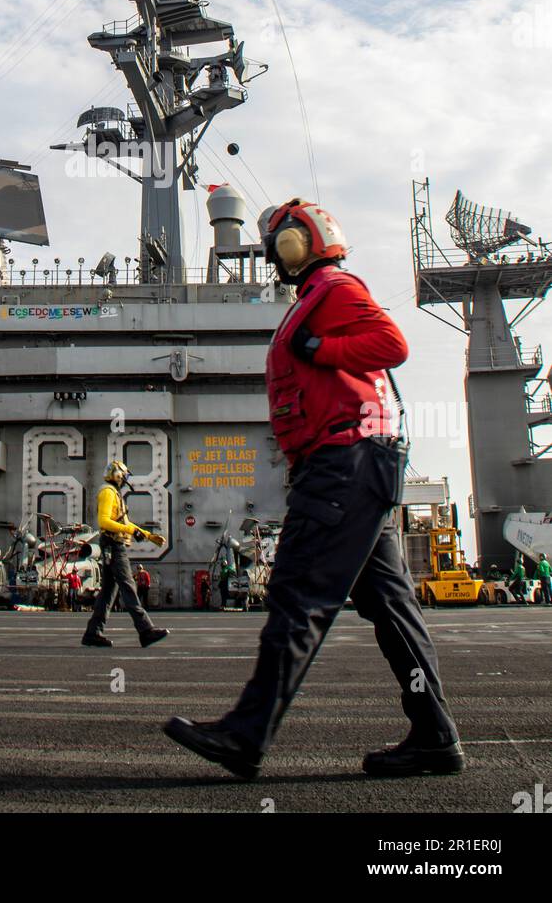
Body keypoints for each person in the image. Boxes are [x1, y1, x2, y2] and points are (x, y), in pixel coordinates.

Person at [164, 197, 463, 780]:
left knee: (299, 594)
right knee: (390, 606)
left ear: (300, 241)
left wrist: (322, 350)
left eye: (280, 239)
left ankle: (246, 735)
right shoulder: (315, 296)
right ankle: (435, 734)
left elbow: (392, 344)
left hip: (344, 461)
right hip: (357, 463)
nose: (276, 252)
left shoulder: (334, 288)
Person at [81, 459, 169, 649]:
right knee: (128, 587)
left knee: (107, 593)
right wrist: (133, 532)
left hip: (112, 545)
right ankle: (146, 630)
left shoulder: (114, 493)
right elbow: (104, 522)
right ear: (118, 474)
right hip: (114, 545)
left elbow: (126, 524)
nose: (125, 480)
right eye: (124, 476)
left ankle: (93, 633)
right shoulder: (108, 492)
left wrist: (148, 535)